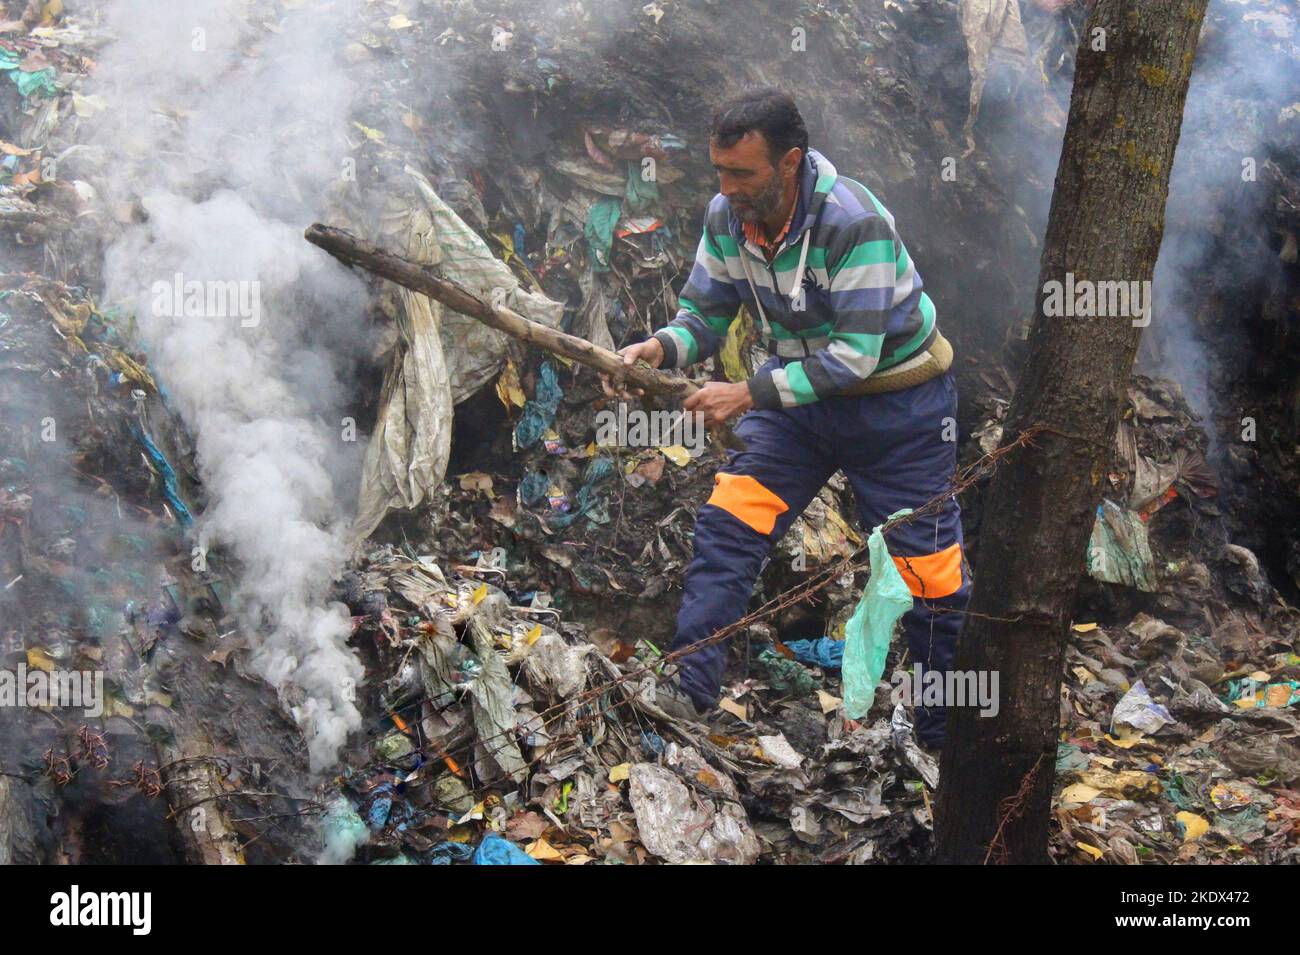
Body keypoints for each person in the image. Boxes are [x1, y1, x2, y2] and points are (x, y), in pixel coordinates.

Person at [608, 88, 971, 751]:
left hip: (899, 410)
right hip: (796, 406)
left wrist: (743, 394)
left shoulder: (852, 222)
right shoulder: (727, 217)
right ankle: (687, 698)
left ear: (791, 161)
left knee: (931, 576)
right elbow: (705, 315)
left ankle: (942, 739)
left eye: (741, 173)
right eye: (720, 171)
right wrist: (659, 346)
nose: (726, 188)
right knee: (727, 526)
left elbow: (854, 361)